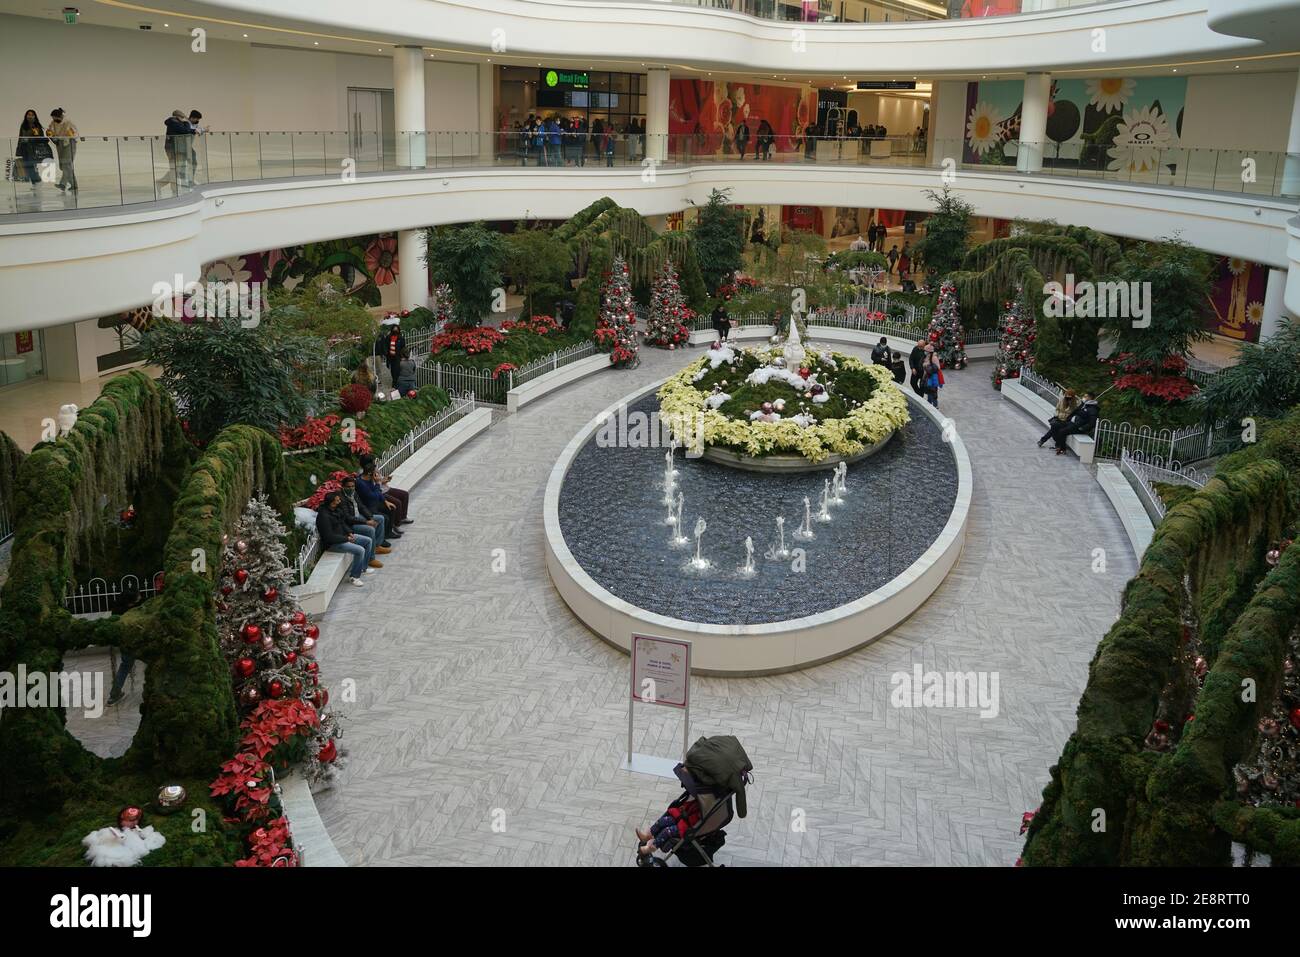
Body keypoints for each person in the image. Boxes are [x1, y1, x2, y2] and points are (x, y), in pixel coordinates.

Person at [317, 490, 373, 586]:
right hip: (334, 544)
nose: (340, 502)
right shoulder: (324, 516)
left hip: (344, 537)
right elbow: (329, 537)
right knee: (360, 550)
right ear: (331, 502)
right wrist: (346, 539)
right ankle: (354, 577)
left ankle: (363, 567)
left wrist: (349, 533)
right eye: (337, 500)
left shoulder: (336, 510)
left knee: (368, 541)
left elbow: (342, 523)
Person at [106, 584, 145, 705]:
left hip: (125, 643)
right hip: (139, 642)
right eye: (138, 596)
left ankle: (114, 694)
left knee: (125, 666)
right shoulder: (134, 610)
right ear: (131, 603)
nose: (140, 596)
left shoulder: (117, 609)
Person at [358, 452, 412, 527]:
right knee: (397, 503)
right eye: (373, 461)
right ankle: (396, 524)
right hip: (381, 492)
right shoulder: (366, 473)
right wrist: (379, 482)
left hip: (384, 489)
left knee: (404, 494)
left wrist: (383, 480)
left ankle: (402, 518)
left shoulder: (373, 469)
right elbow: (374, 487)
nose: (375, 463)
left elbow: (377, 481)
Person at [341, 474, 395, 546]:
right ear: (343, 487)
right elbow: (348, 518)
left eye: (352, 486)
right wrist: (366, 522)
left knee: (381, 518)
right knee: (370, 529)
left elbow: (361, 506)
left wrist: (370, 517)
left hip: (358, 516)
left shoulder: (354, 493)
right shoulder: (341, 499)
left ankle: (379, 543)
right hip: (351, 523)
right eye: (348, 487)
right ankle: (372, 553)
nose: (351, 488)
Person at [15, 109, 50, 189]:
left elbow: (40, 137)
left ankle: (37, 181)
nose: (30, 116)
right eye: (28, 114)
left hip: (33, 149)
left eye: (31, 115)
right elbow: (20, 137)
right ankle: (35, 182)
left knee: (31, 165)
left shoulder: (37, 126)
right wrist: (18, 148)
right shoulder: (23, 125)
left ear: (34, 116)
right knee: (27, 166)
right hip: (24, 148)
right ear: (26, 116)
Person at [47, 108, 78, 192]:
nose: (54, 120)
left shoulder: (68, 122)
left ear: (60, 116)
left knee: (66, 164)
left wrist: (68, 135)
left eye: (55, 118)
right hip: (59, 144)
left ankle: (67, 184)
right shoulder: (53, 123)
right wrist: (50, 135)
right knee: (63, 165)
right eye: (53, 118)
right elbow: (50, 131)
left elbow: (73, 133)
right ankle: (68, 184)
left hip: (69, 143)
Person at [162, 109, 192, 191]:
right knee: (175, 169)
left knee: (178, 168)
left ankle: (180, 186)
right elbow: (185, 131)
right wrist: (187, 122)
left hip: (176, 148)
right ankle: (166, 185)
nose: (183, 119)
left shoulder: (176, 123)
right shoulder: (173, 123)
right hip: (172, 149)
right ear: (177, 117)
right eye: (182, 117)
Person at [376, 323, 405, 389]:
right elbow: (385, 345)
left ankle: (395, 383)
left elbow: (403, 347)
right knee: (392, 371)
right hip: (390, 357)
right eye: (394, 329)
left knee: (396, 370)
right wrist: (386, 353)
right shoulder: (388, 337)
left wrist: (402, 356)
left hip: (398, 357)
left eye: (396, 329)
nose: (395, 331)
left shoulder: (401, 338)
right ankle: (394, 381)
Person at [187, 109, 206, 184]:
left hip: (189, 146)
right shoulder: (186, 123)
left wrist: (202, 130)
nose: (197, 120)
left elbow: (198, 131)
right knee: (185, 165)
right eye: (196, 119)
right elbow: (191, 130)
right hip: (184, 146)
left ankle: (190, 180)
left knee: (194, 163)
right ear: (192, 117)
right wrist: (202, 130)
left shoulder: (195, 124)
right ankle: (187, 181)